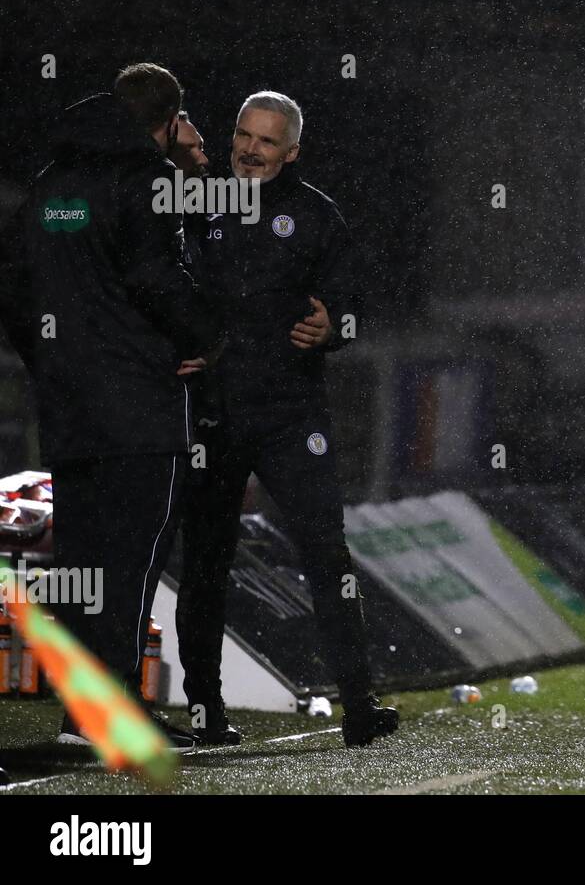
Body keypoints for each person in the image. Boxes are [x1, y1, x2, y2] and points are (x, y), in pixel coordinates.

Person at [0, 63, 223, 749]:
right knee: (131, 563)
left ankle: (81, 716)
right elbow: (157, 276)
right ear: (168, 119)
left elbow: (13, 288)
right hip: (137, 405)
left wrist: (50, 362)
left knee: (82, 565)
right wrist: (206, 338)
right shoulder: (145, 178)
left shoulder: (49, 185)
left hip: (68, 406)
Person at [175, 92, 398, 747]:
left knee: (327, 555)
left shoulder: (317, 215)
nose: (249, 148)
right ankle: (206, 714)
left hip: (292, 415)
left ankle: (359, 708)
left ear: (291, 151)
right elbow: (159, 284)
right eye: (243, 134)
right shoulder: (196, 203)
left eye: (266, 141)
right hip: (212, 413)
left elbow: (354, 306)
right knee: (205, 563)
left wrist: (336, 327)